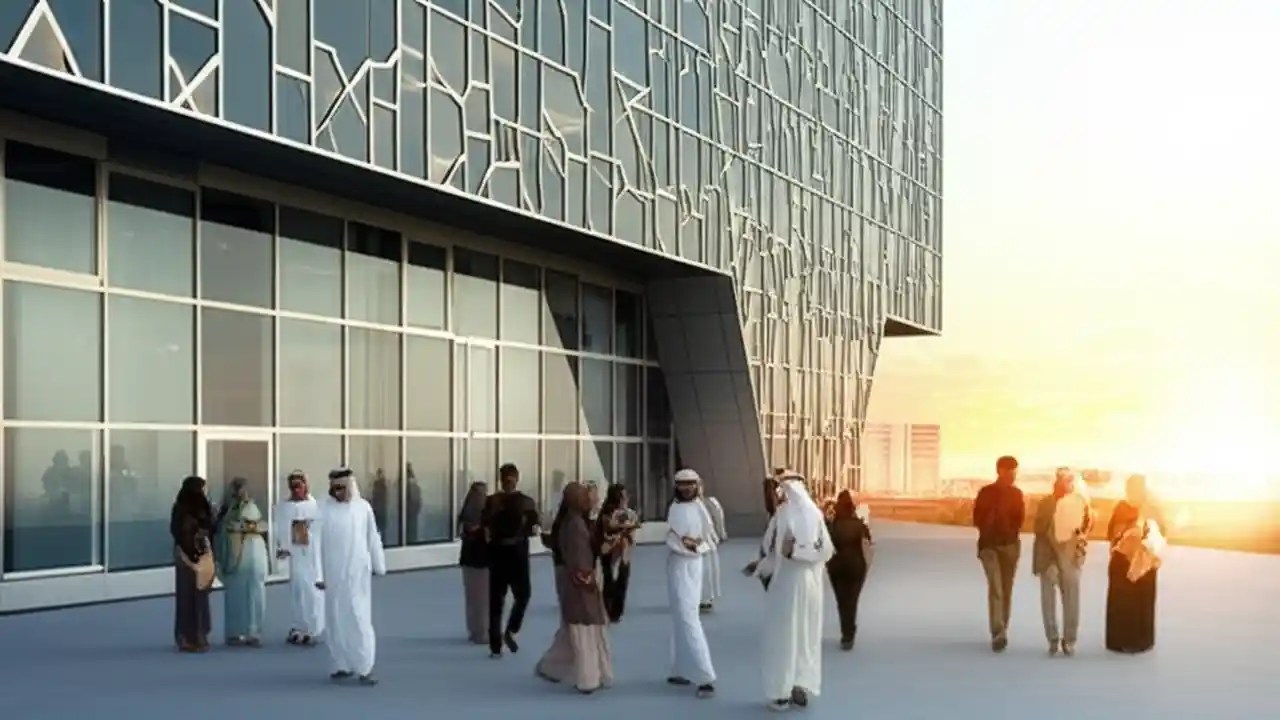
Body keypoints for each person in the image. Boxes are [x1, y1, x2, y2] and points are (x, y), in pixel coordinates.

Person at [761, 474, 834, 711]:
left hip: (788, 584)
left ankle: (781, 691)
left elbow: (770, 549)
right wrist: (805, 555)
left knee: (784, 636)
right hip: (811, 586)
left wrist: (764, 568)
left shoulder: (783, 515)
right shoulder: (815, 515)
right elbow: (826, 551)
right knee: (806, 635)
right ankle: (801, 683)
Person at [318, 467, 387, 686]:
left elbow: (373, 537)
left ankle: (365, 667)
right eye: (335, 488)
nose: (339, 492)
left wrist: (379, 564)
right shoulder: (323, 509)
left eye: (342, 487)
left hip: (358, 575)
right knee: (335, 619)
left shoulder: (363, 508)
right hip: (334, 574)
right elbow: (315, 545)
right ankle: (342, 664)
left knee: (359, 618)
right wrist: (319, 575)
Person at [554, 482, 614, 693]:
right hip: (580, 586)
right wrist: (587, 579)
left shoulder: (574, 522)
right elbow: (579, 559)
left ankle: (595, 673)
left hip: (579, 584)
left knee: (588, 631)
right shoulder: (575, 526)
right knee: (585, 632)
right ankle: (588, 678)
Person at [665, 468, 716, 699]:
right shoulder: (674, 508)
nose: (686, 489)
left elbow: (711, 539)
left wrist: (696, 546)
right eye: (682, 485)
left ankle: (706, 678)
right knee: (679, 617)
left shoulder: (700, 508)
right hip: (676, 564)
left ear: (697, 486)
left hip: (693, 565)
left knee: (689, 618)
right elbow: (671, 537)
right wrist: (683, 544)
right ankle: (680, 669)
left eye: (690, 485)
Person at [1032, 467, 1094, 657]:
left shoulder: (1081, 503)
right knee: (1048, 600)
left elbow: (1087, 527)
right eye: (1064, 480)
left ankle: (1069, 640)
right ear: (1057, 482)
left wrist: (1079, 541)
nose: (1067, 484)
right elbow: (1039, 531)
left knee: (1072, 599)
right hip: (1049, 555)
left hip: (1071, 556)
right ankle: (1052, 638)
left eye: (1070, 480)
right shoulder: (1046, 504)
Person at [481, 463, 540, 658]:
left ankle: (495, 646)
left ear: (501, 479)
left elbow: (485, 527)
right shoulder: (526, 502)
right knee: (523, 594)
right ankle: (512, 629)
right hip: (518, 552)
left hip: (497, 553)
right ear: (517, 478)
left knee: (496, 601)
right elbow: (534, 527)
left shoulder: (491, 502)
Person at [1106, 474, 1168, 654]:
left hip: (1143, 562)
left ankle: (1139, 640)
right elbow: (1111, 532)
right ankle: (1121, 640)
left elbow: (1161, 533)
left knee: (1140, 602)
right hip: (1124, 561)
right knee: (1123, 602)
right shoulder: (1123, 507)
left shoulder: (1151, 508)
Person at [973, 455, 1025, 652]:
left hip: (1010, 546)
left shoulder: (1017, 494)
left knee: (1006, 588)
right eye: (1009, 470)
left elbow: (1020, 520)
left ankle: (1003, 627)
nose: (1012, 475)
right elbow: (977, 518)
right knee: (996, 586)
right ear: (1000, 471)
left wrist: (1010, 533)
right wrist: (990, 528)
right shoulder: (985, 493)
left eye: (1014, 471)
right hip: (989, 547)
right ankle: (998, 631)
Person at [214, 477, 269, 648]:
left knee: (255, 593)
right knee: (235, 594)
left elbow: (263, 526)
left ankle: (254, 632)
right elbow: (222, 529)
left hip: (254, 554)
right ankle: (236, 632)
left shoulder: (254, 507)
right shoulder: (227, 510)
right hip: (235, 556)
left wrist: (245, 527)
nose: (240, 493)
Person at [275, 470, 324, 646]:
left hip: (311, 556)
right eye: (293, 486)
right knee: (296, 591)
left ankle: (313, 628)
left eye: (299, 486)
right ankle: (299, 626)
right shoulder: (284, 507)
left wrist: (306, 529)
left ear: (305, 486)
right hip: (294, 556)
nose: (296, 490)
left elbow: (320, 531)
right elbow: (280, 529)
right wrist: (282, 547)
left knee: (312, 592)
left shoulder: (315, 507)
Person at [171, 475, 214, 653]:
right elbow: (181, 532)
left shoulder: (195, 507)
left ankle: (196, 635)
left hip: (193, 557)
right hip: (189, 557)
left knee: (196, 597)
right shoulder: (184, 509)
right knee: (191, 597)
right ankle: (192, 637)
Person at [826, 489, 872, 651]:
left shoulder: (832, 525)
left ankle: (845, 633)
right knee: (852, 601)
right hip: (856, 567)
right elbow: (867, 545)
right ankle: (849, 632)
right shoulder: (859, 525)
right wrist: (866, 566)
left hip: (837, 567)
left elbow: (826, 547)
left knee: (842, 601)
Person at [598, 483, 638, 623]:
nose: (626, 498)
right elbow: (607, 530)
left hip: (622, 551)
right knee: (611, 579)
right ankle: (610, 609)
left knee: (620, 578)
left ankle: (614, 610)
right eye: (624, 496)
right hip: (610, 551)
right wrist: (623, 528)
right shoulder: (608, 514)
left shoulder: (626, 513)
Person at [457, 481, 490, 645]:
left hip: (469, 561)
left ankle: (475, 630)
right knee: (483, 599)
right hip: (482, 561)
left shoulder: (467, 513)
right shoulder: (484, 514)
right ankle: (483, 632)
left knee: (473, 598)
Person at [697, 480, 726, 612]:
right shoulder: (683, 506)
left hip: (707, 541)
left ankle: (706, 597)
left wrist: (720, 532)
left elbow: (718, 517)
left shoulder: (710, 502)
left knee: (707, 570)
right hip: (693, 541)